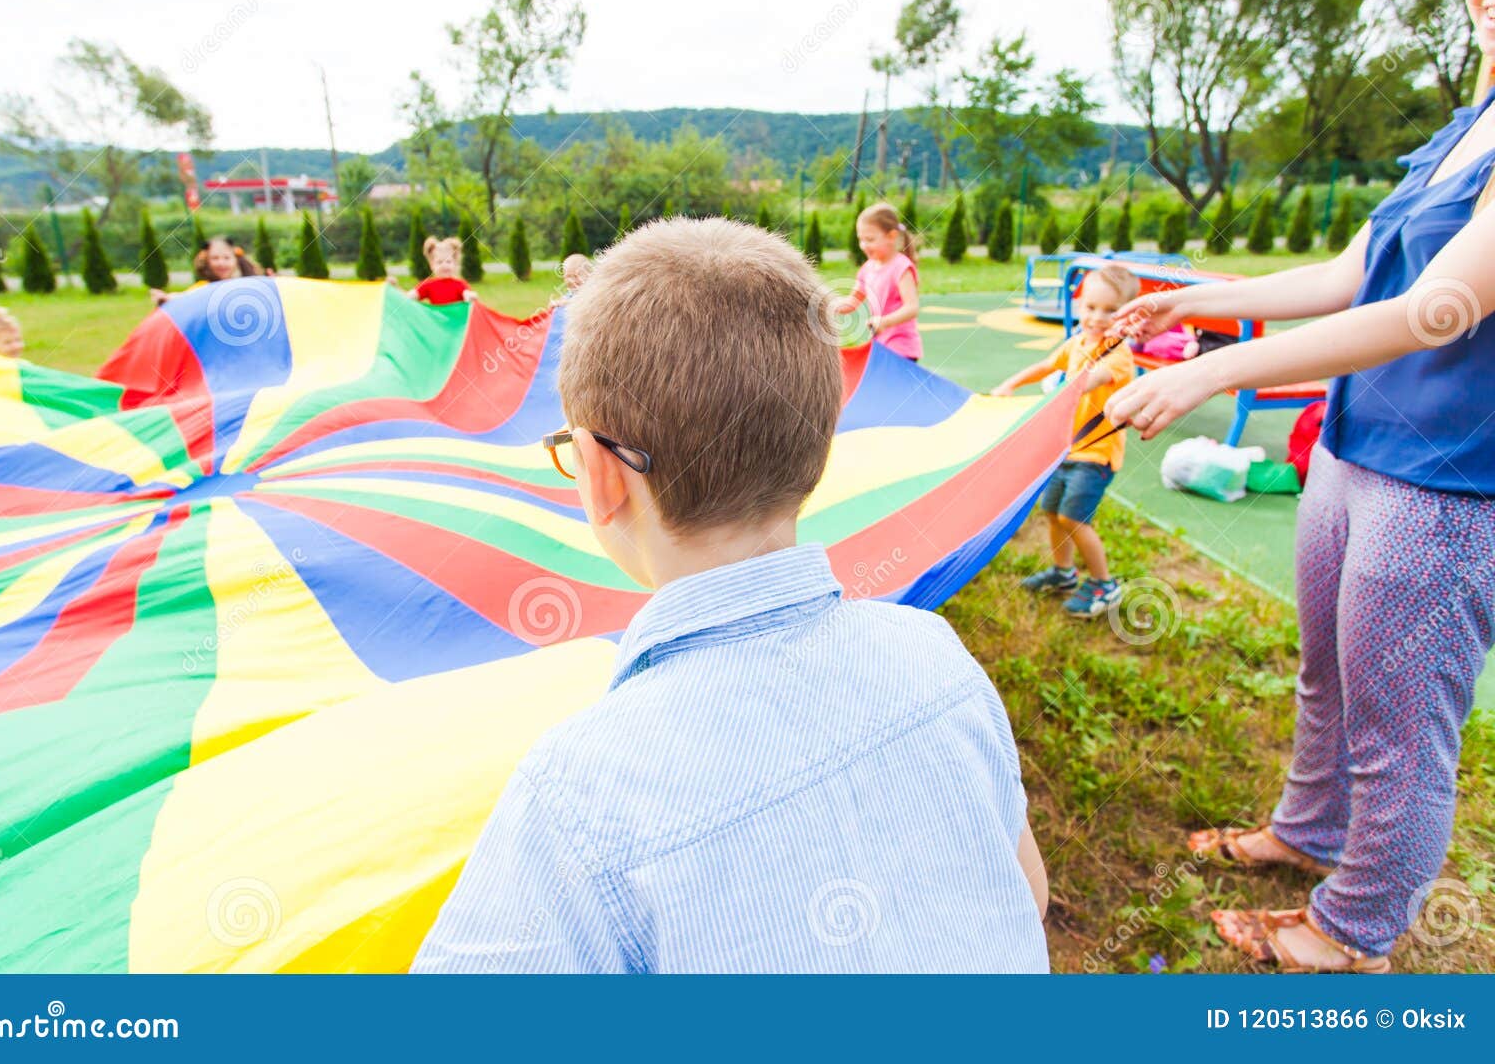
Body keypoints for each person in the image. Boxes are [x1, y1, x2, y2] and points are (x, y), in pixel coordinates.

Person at [411, 218, 1048, 973]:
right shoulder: (935, 655)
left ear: (598, 472)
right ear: (821, 440)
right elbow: (1026, 894)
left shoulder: (575, 796)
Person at [1102, 0, 1495, 972]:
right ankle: (1306, 832)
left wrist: (1215, 367)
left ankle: (1352, 929)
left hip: (1448, 484)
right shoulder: (1471, 123)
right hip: (1353, 447)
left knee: (1398, 727)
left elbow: (1441, 310)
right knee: (1325, 674)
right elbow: (1346, 275)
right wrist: (1198, 300)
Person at [991, 264, 1139, 617]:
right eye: (1090, 307)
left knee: (1075, 518)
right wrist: (1011, 384)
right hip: (1064, 450)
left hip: (1096, 455)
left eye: (1110, 310)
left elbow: (1091, 379)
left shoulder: (1118, 356)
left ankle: (1105, 585)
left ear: (1128, 315)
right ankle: (1063, 573)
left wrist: (1060, 389)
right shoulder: (1077, 342)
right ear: (1080, 305)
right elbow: (1046, 365)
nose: (1097, 317)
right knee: (1053, 513)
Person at [851, 201, 922, 361]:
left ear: (891, 236)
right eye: (860, 239)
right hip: (880, 345)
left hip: (901, 346)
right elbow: (851, 302)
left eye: (870, 239)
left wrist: (885, 322)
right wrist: (823, 304)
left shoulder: (901, 267)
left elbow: (912, 307)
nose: (863, 245)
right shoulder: (867, 268)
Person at [150, 236, 262, 307]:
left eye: (226, 258)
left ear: (236, 260)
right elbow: (186, 297)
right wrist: (166, 298)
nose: (221, 263)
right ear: (207, 261)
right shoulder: (204, 287)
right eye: (215, 258)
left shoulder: (246, 284)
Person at [414, 237, 477, 305]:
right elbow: (411, 296)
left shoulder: (460, 284)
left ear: (455, 264)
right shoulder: (428, 285)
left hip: (455, 315)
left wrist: (470, 296)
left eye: (448, 261)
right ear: (432, 265)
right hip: (436, 315)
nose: (444, 265)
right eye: (440, 262)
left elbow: (467, 294)